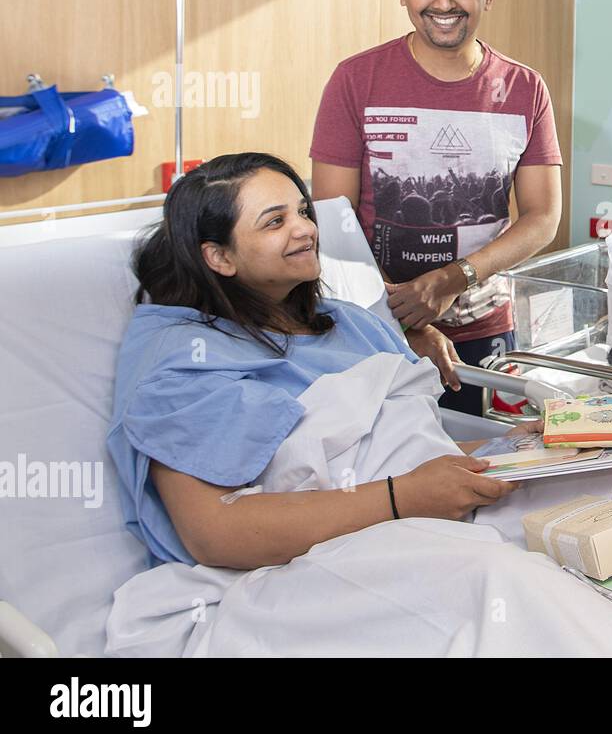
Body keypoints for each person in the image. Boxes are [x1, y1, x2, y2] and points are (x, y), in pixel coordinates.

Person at [106, 153, 538, 570]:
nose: (305, 230)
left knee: (582, 508)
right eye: (276, 221)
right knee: (499, 574)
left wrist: (513, 446)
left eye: (302, 211)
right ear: (219, 256)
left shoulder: (350, 323)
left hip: (426, 523)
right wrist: (401, 498)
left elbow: (409, 454)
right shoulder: (184, 361)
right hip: (311, 564)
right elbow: (215, 532)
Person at [311, 0, 563, 417]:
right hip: (369, 323)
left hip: (482, 326)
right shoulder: (355, 80)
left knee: (483, 469)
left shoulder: (524, 89)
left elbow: (543, 217)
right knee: (385, 473)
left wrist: (454, 278)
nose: (444, 2)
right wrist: (402, 320)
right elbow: (330, 219)